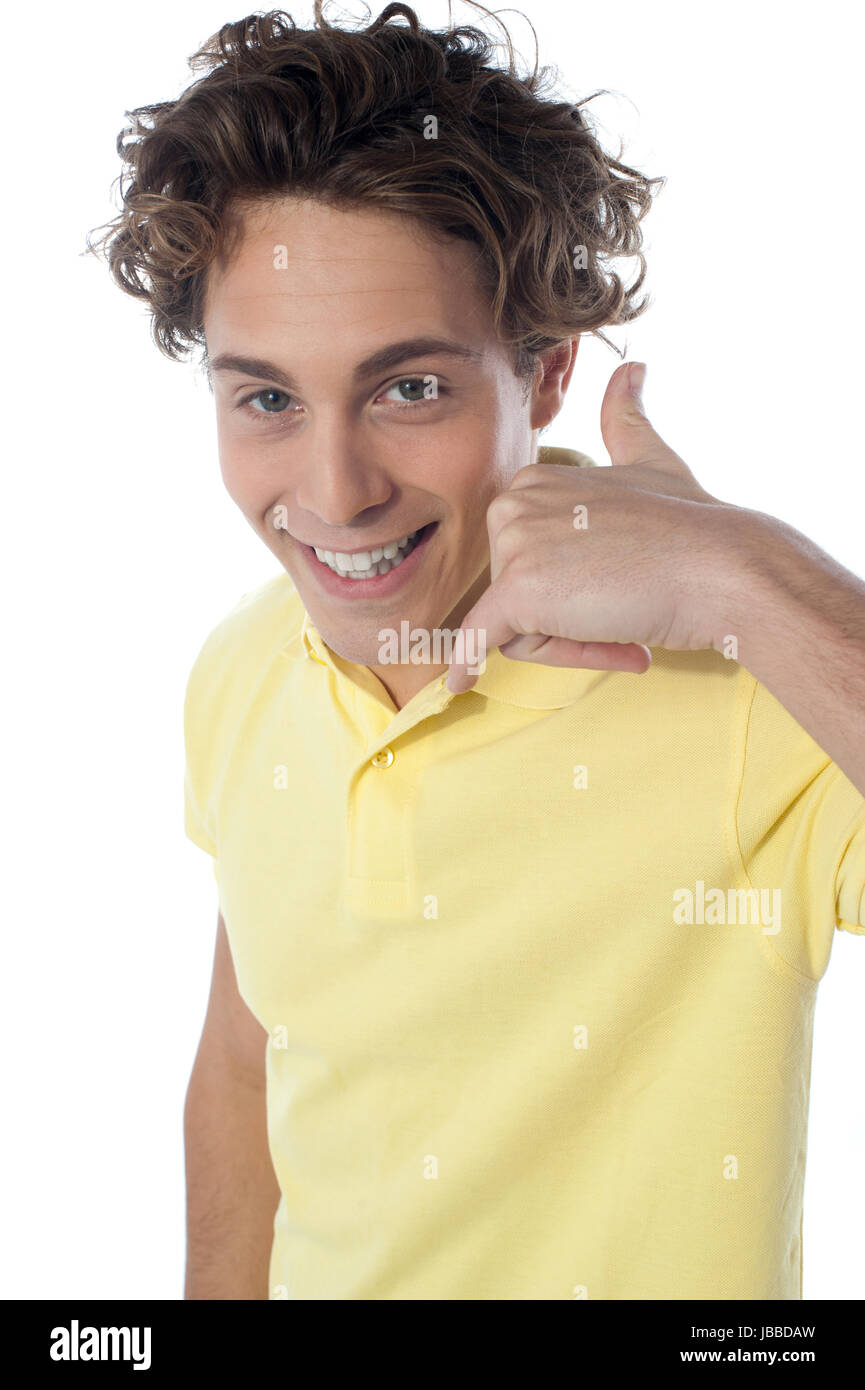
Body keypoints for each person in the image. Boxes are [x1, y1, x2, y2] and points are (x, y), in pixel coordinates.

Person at [88, 1, 865, 1300]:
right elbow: (249, 1056)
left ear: (546, 372)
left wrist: (751, 575)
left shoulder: (756, 690)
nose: (332, 494)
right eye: (267, 398)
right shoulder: (240, 667)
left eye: (409, 388)